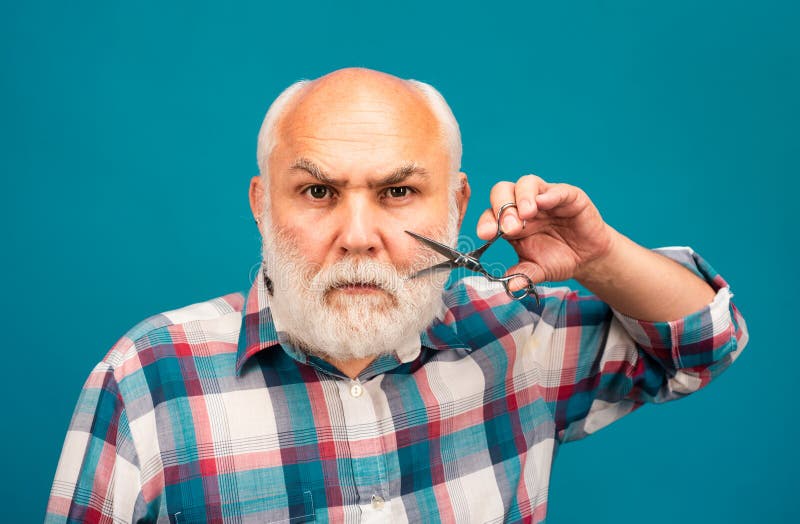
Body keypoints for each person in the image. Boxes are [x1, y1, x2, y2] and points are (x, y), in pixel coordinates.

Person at [46, 68, 748, 523]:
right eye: (318, 192)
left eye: (399, 193)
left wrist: (596, 257)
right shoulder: (146, 380)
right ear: (262, 205)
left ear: (457, 203)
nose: (358, 235)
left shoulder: (513, 335)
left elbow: (703, 342)